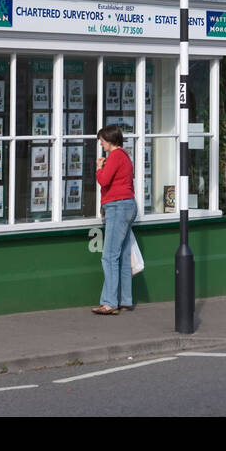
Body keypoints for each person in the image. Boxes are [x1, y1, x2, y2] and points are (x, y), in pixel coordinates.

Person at [93, 125, 136, 315]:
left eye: (102, 140)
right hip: (128, 205)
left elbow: (104, 180)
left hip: (117, 207)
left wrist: (99, 167)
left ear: (109, 140)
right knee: (123, 255)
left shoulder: (115, 156)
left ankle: (109, 303)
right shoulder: (125, 156)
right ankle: (125, 299)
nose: (101, 143)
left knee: (109, 256)